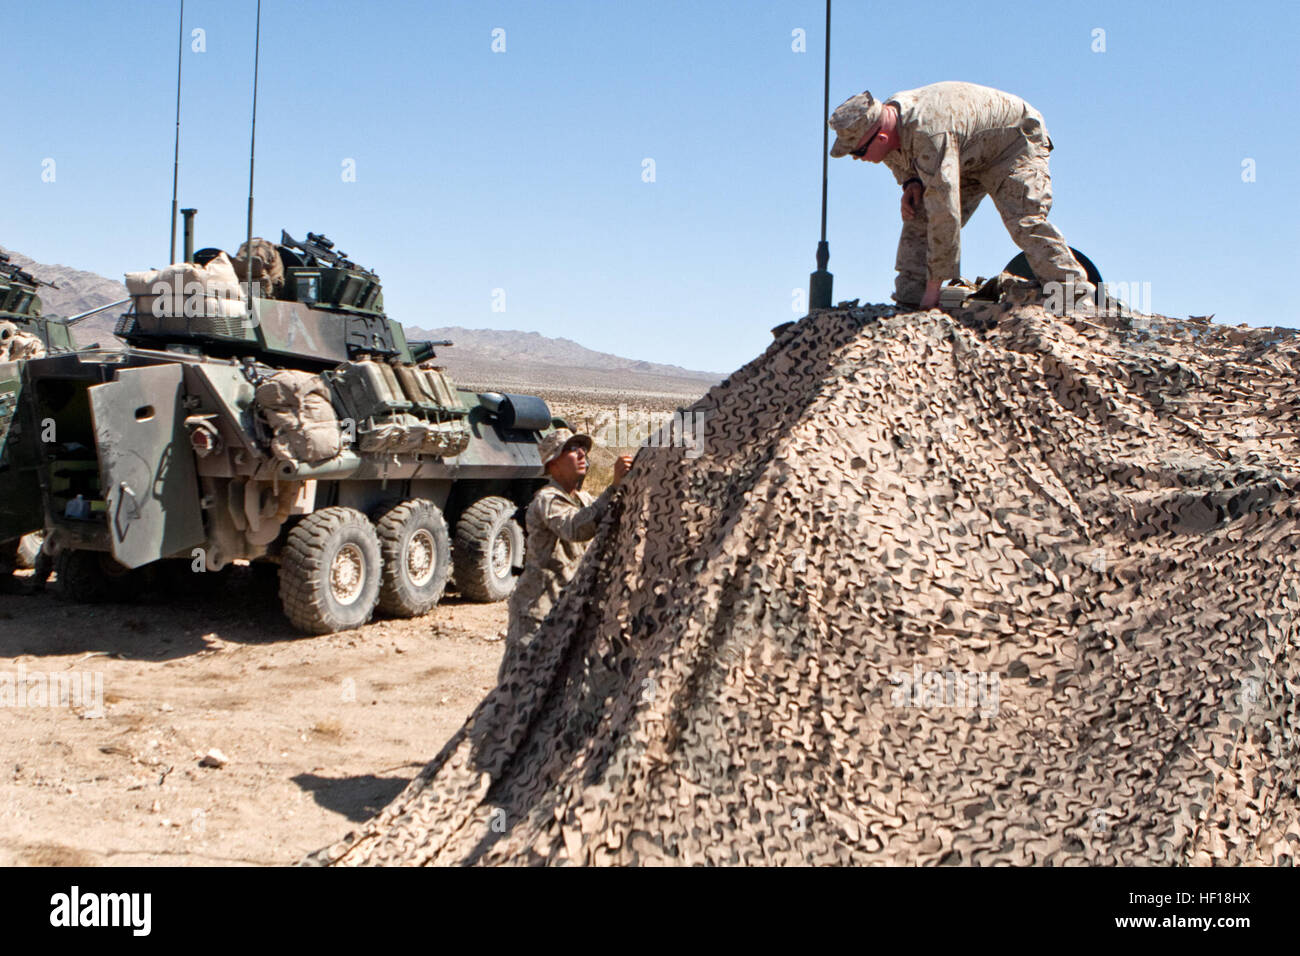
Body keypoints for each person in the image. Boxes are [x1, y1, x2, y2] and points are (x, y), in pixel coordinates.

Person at [829, 81, 1094, 311]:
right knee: (920, 216)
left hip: (1013, 145)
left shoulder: (930, 134)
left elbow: (946, 215)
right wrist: (910, 182)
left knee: (1024, 221)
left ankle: (1075, 298)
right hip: (965, 154)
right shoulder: (889, 117)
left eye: (858, 152)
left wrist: (935, 287)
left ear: (881, 137)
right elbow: (897, 156)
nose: (857, 159)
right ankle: (909, 302)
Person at [499, 428, 632, 678]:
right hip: (537, 610)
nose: (582, 453)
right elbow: (576, 527)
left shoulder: (583, 498)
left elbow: (605, 515)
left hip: (566, 609)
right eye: (571, 449)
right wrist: (613, 486)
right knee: (519, 680)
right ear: (552, 463)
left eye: (583, 448)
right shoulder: (546, 499)